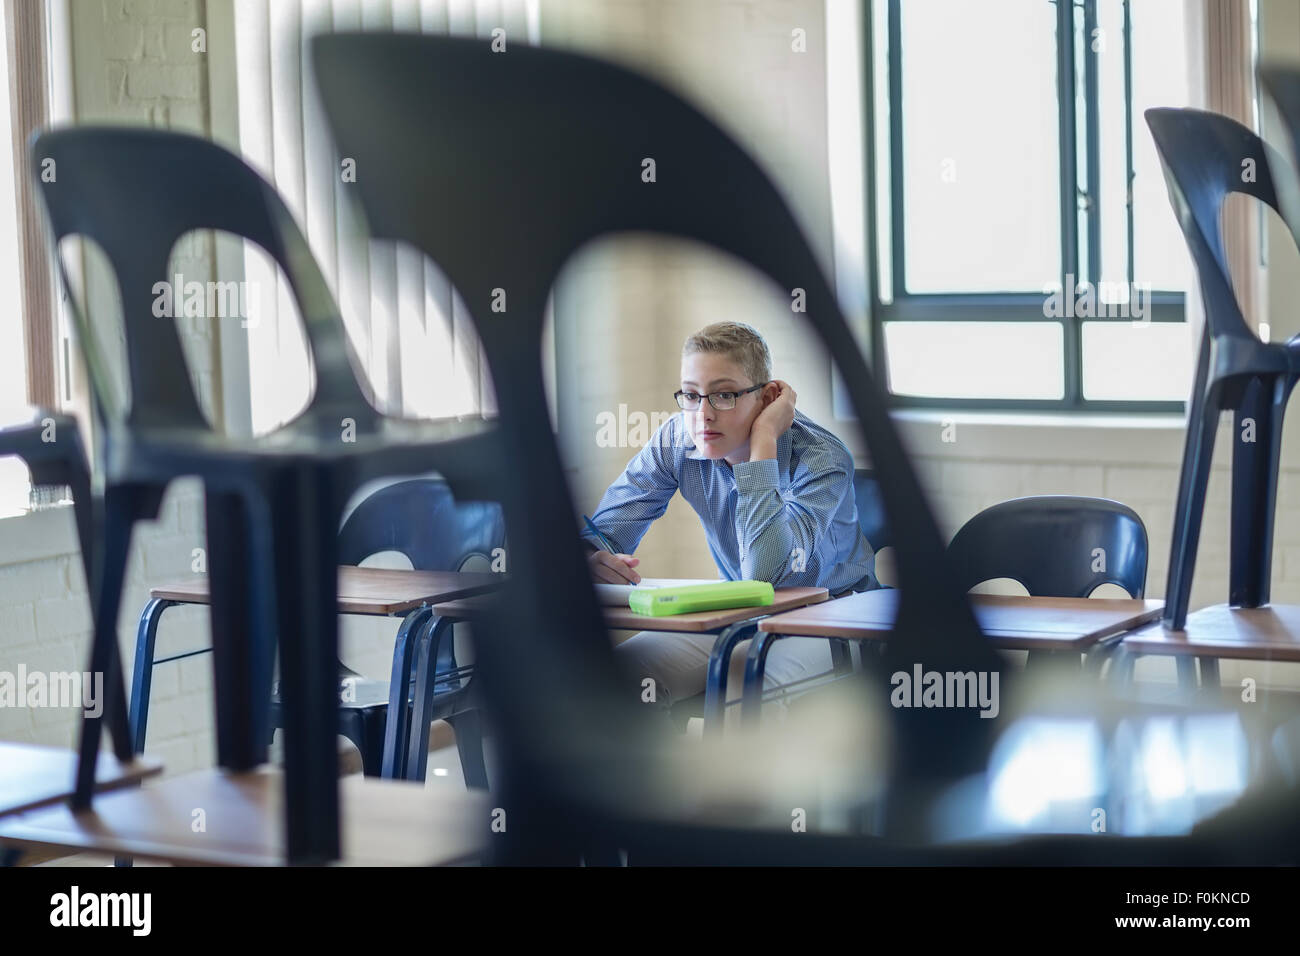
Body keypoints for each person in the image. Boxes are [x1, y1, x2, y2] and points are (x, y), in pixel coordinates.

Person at [581, 321, 878, 727]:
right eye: (690, 395)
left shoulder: (821, 457)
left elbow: (765, 572)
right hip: (741, 615)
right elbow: (605, 531)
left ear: (770, 396)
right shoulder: (678, 440)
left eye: (724, 395)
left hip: (835, 620)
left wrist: (763, 446)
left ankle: (735, 791)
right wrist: (593, 557)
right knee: (616, 676)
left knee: (746, 681)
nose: (702, 415)